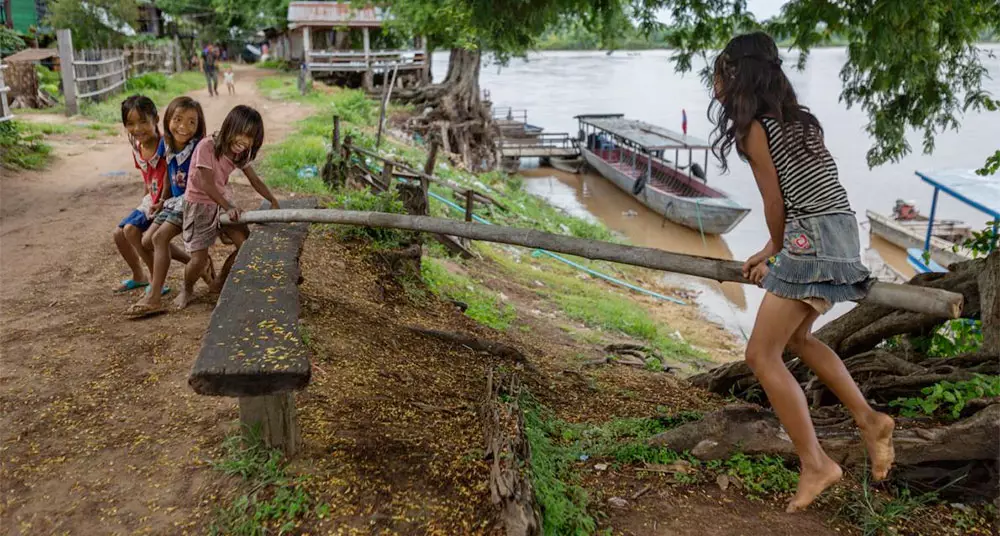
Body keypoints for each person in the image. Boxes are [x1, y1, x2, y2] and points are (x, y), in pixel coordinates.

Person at [709, 32, 895, 512]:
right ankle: (870, 421)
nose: (714, 83)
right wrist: (779, 248)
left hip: (808, 237)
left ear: (736, 75)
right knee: (798, 340)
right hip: (839, 233)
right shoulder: (801, 122)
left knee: (760, 355)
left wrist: (774, 249)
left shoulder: (754, 128)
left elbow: (776, 201)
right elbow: (813, 190)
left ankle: (817, 464)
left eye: (719, 72)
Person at [176, 105, 280, 309]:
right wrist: (229, 207)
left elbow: (255, 180)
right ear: (229, 127)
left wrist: (274, 201)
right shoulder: (207, 146)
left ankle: (219, 282)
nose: (245, 141)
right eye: (242, 133)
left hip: (223, 202)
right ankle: (187, 289)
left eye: (251, 137)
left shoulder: (239, 154)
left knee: (246, 246)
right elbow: (206, 185)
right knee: (198, 260)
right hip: (200, 204)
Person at [126, 96, 212, 317]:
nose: (183, 127)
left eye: (192, 122)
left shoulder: (198, 148)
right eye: (178, 119)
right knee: (146, 240)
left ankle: (154, 296)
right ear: (167, 120)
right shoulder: (167, 143)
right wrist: (162, 199)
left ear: (199, 126)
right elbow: (168, 176)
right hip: (173, 202)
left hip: (192, 202)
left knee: (158, 238)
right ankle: (197, 263)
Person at [113, 95, 166, 293]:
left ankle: (157, 281)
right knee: (118, 234)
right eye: (130, 123)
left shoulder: (165, 146)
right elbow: (146, 179)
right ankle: (139, 275)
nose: (137, 128)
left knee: (131, 230)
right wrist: (143, 203)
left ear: (156, 119)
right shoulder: (137, 148)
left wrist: (159, 201)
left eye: (143, 121)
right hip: (150, 201)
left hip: (165, 201)